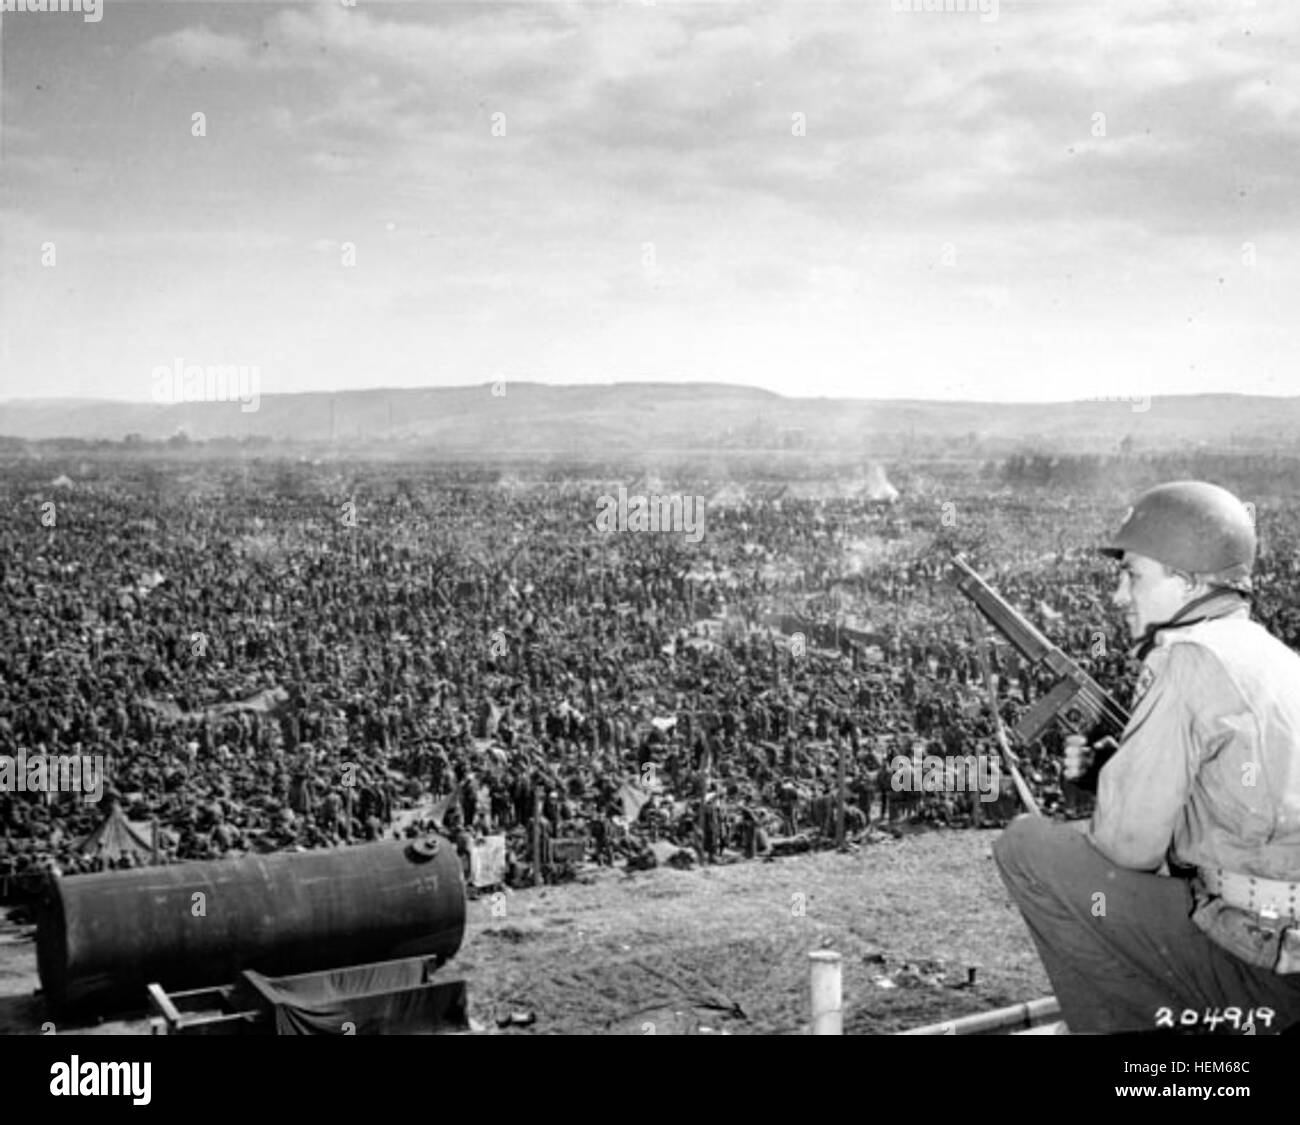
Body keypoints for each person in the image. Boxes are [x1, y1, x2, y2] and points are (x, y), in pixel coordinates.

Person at [994, 481, 1300, 1034]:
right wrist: (1117, 775)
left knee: (1026, 848)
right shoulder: (1273, 656)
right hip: (1282, 940)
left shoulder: (1187, 660)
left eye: (1133, 574)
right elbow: (1237, 817)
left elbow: (1127, 848)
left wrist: (1113, 787)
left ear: (1185, 581)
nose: (1118, 595)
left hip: (1257, 964)